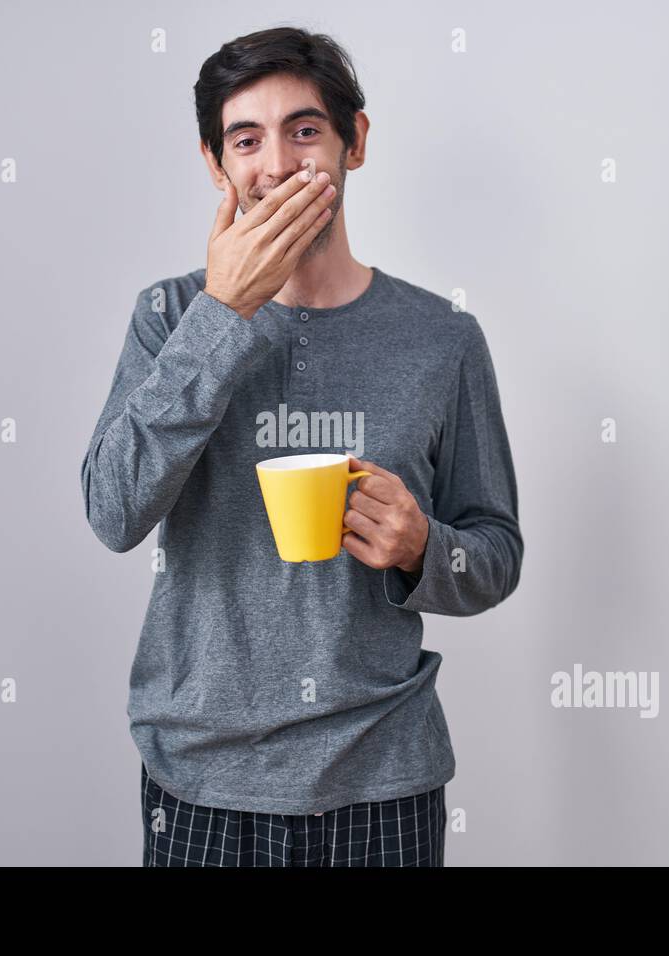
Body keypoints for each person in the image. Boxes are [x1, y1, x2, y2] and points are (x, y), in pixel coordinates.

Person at [81, 26, 523, 866]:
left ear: (355, 142)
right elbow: (113, 511)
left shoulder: (442, 338)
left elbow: (495, 554)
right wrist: (224, 315)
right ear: (217, 166)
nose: (277, 164)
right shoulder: (170, 317)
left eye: (305, 130)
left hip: (383, 778)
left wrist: (426, 547)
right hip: (202, 782)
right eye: (246, 140)